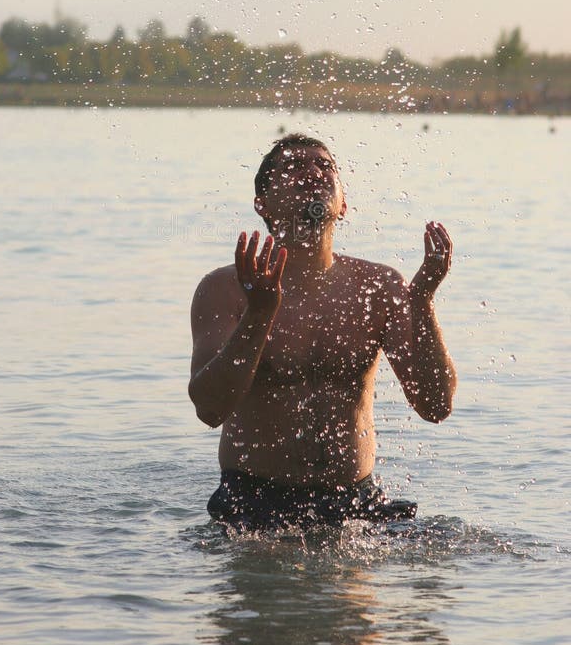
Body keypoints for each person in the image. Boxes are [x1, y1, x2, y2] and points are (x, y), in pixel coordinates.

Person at [189, 134, 457, 531]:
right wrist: (260, 312)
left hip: (357, 506)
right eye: (294, 166)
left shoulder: (377, 287)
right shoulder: (226, 289)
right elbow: (209, 409)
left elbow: (436, 406)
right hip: (254, 505)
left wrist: (422, 303)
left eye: (324, 165)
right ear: (261, 203)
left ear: (344, 205)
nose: (313, 171)